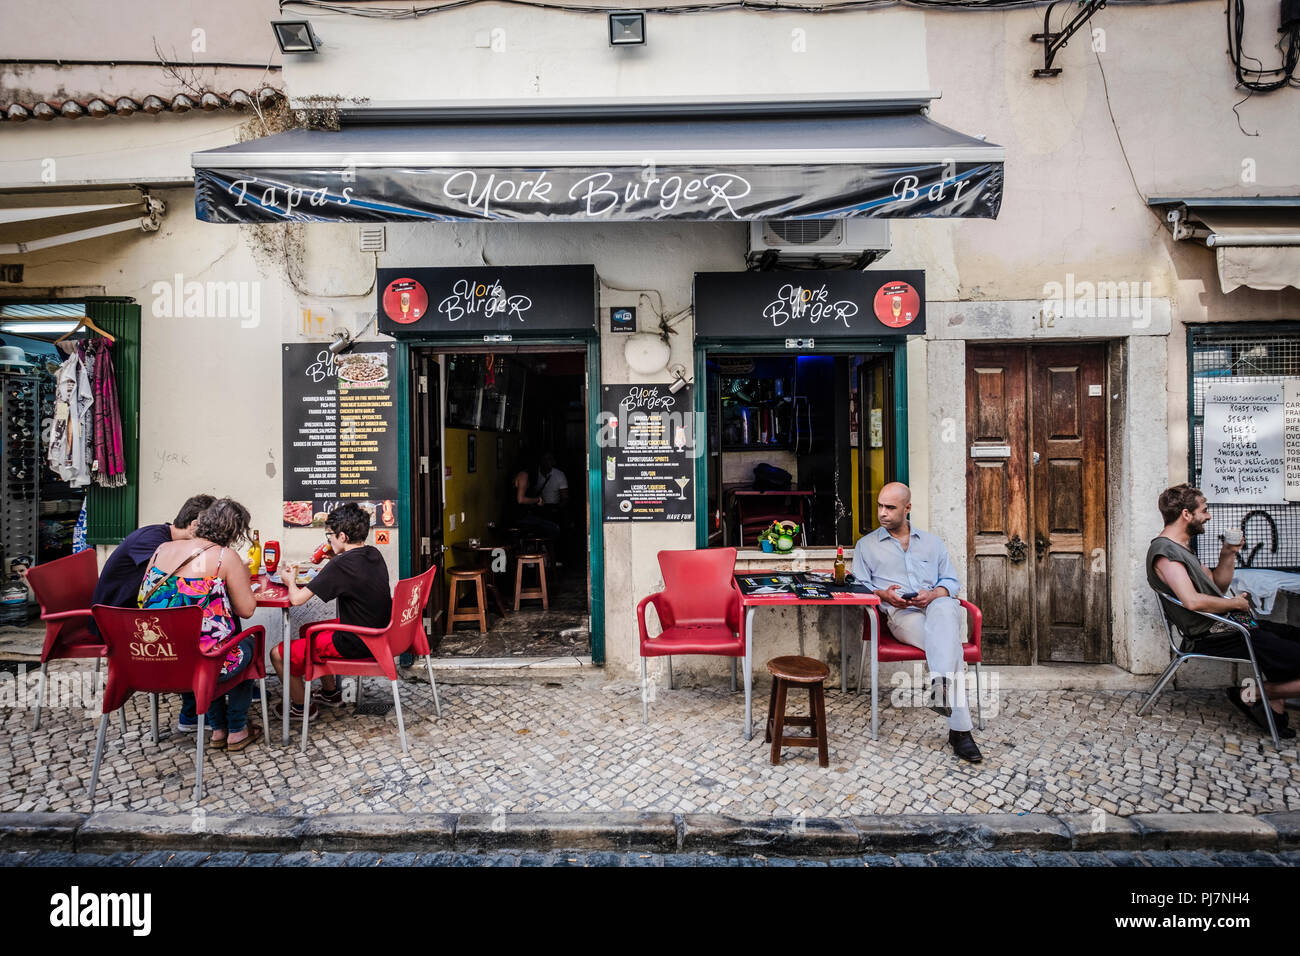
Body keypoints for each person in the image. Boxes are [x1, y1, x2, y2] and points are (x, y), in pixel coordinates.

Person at [1146, 483, 1300, 738]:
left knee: (1291, 637)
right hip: (1216, 635)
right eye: (1204, 510)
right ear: (1187, 514)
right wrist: (1235, 604)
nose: (1208, 515)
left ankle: (1267, 703)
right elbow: (1193, 601)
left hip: (1235, 626)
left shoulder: (1183, 548)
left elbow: (1217, 585)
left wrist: (1228, 554)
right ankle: (1259, 693)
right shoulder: (1166, 553)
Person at [852, 482, 983, 762]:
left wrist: (933, 593)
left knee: (947, 604)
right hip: (901, 616)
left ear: (907, 508)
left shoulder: (933, 544)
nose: (882, 513)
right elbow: (859, 586)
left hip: (935, 609)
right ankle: (960, 733)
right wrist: (883, 594)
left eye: (890, 507)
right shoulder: (866, 546)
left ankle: (942, 692)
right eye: (880, 506)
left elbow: (950, 582)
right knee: (952, 649)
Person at [138, 497, 259, 750]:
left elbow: (142, 599)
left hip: (159, 657)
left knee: (206, 642)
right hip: (204, 663)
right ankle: (236, 729)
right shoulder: (224, 557)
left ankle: (217, 728)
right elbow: (247, 609)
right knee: (243, 644)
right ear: (235, 531)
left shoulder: (162, 549)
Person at [271, 502, 392, 719]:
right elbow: (350, 571)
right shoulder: (373, 553)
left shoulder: (340, 565)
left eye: (331, 537)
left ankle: (301, 708)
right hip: (377, 632)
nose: (329, 541)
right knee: (310, 629)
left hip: (356, 642)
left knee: (278, 654)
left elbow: (297, 599)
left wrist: (289, 581)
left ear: (342, 537)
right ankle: (330, 693)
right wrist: (335, 559)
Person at [91, 494, 215, 626]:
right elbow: (173, 580)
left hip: (135, 614)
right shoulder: (150, 540)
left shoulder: (167, 538)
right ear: (194, 525)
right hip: (115, 620)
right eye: (212, 530)